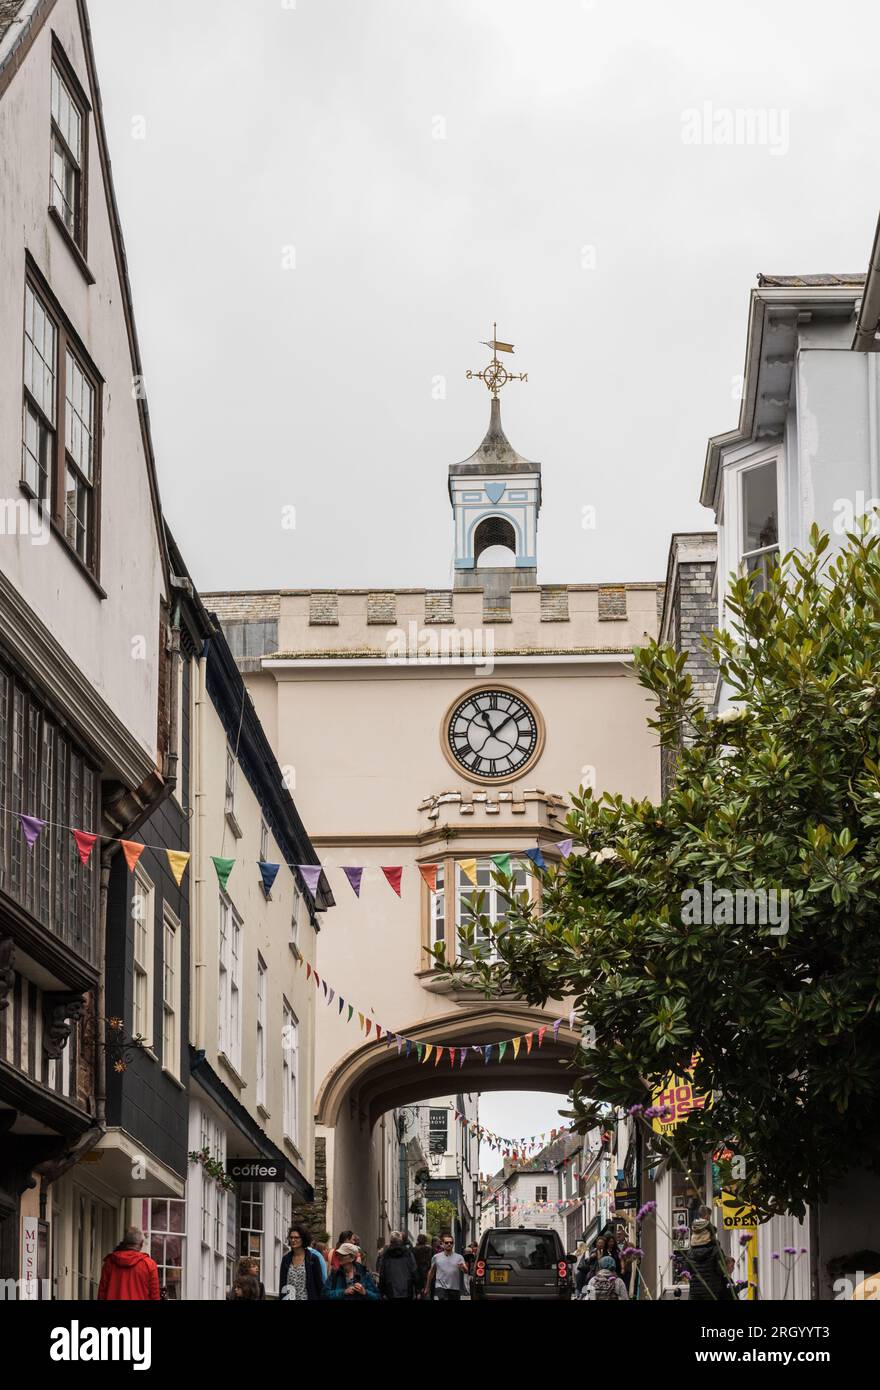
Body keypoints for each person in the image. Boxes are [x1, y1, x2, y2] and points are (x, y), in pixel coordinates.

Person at [97, 1227, 161, 1301]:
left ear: (124, 1243)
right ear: (141, 1243)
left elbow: (102, 1293)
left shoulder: (110, 1263)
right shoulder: (149, 1264)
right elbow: (154, 1295)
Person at [679, 1218, 735, 1301]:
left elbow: (687, 1274)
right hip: (714, 1293)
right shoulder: (716, 1250)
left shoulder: (690, 1253)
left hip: (695, 1295)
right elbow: (722, 1270)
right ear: (708, 1234)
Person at [279, 1224, 325, 1301]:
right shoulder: (286, 1259)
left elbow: (319, 1285)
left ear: (303, 1239)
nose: (293, 1240)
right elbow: (282, 1285)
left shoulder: (313, 1259)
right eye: (291, 1237)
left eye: (296, 1237)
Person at [425, 1234, 468, 1301]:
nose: (449, 1244)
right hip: (441, 1287)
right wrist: (427, 1287)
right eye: (446, 1242)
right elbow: (431, 1272)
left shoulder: (459, 1257)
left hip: (454, 1288)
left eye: (451, 1242)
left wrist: (463, 1268)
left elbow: (466, 1271)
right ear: (442, 1244)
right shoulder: (436, 1257)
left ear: (453, 1244)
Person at [377, 1231, 418, 1299]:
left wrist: (382, 1291)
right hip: (407, 1290)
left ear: (390, 1241)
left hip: (391, 1291)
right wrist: (418, 1289)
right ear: (401, 1240)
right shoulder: (408, 1254)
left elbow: (382, 1275)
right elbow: (414, 1270)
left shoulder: (386, 1255)